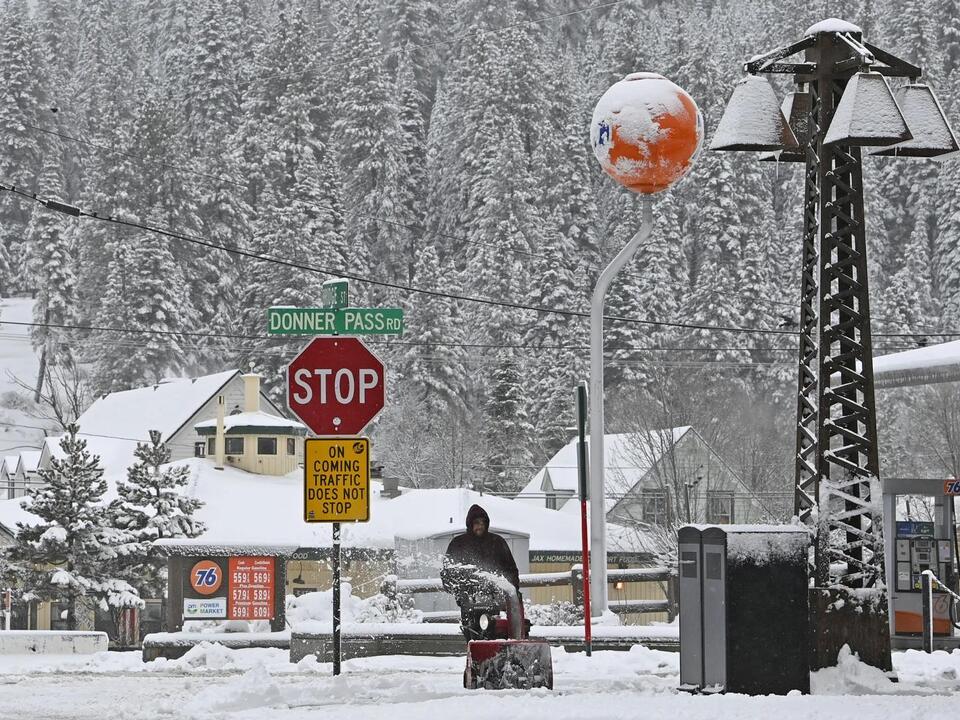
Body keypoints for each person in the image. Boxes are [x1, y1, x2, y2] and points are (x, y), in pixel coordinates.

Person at [440, 504, 521, 638]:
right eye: (476, 523)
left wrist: (513, 591)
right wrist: (459, 592)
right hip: (469, 603)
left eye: (483, 522)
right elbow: (447, 573)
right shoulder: (458, 544)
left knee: (496, 636)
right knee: (473, 639)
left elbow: (510, 569)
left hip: (494, 601)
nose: (480, 526)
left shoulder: (497, 543)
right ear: (470, 524)